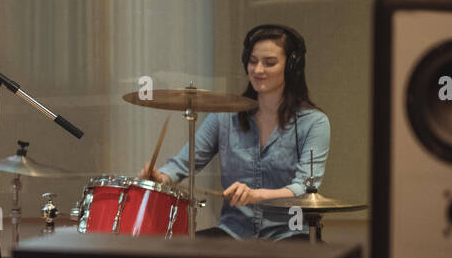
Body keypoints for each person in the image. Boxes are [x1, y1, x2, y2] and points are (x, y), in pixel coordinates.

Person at [138, 24, 330, 240]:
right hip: (234, 230)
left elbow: (304, 187)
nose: (258, 70)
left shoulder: (314, 123)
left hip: (287, 232)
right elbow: (184, 163)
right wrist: (161, 177)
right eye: (253, 61)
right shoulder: (224, 117)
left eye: (269, 63)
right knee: (185, 257)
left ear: (292, 66)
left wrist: (257, 195)